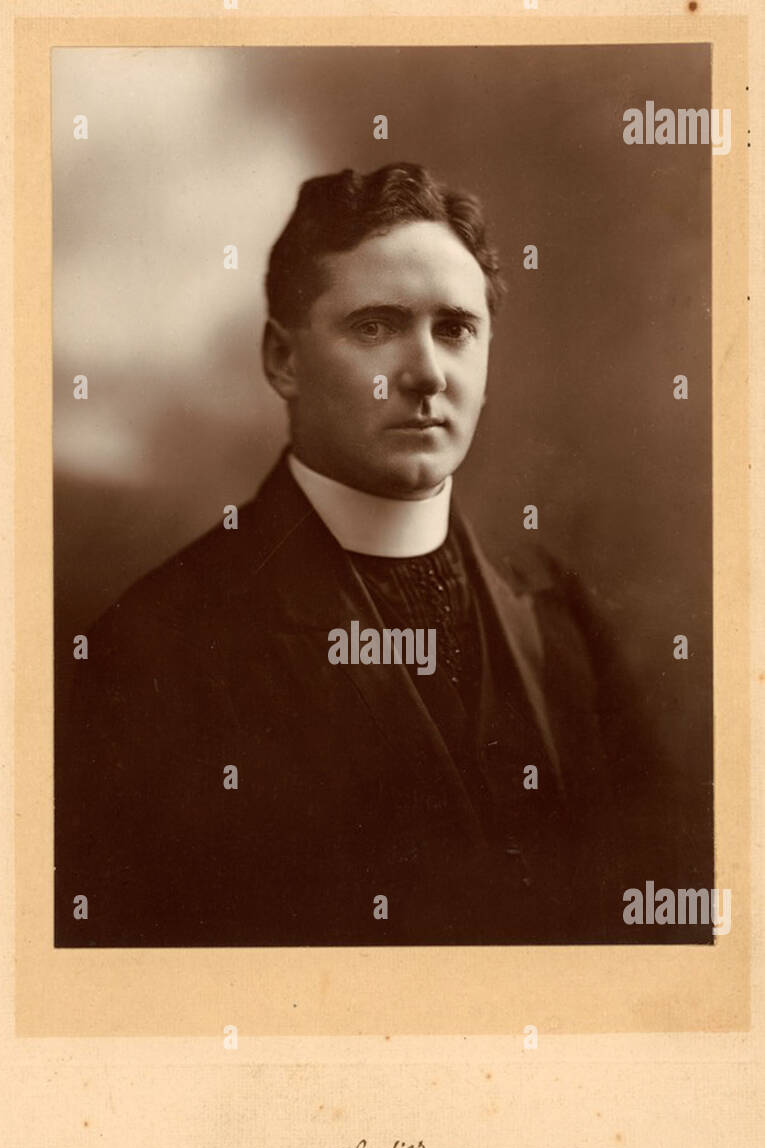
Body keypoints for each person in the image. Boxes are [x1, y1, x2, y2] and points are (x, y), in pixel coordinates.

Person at [55, 163, 711, 947]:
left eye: (455, 329)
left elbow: (660, 924)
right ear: (283, 361)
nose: (426, 373)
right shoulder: (154, 647)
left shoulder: (561, 613)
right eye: (374, 327)